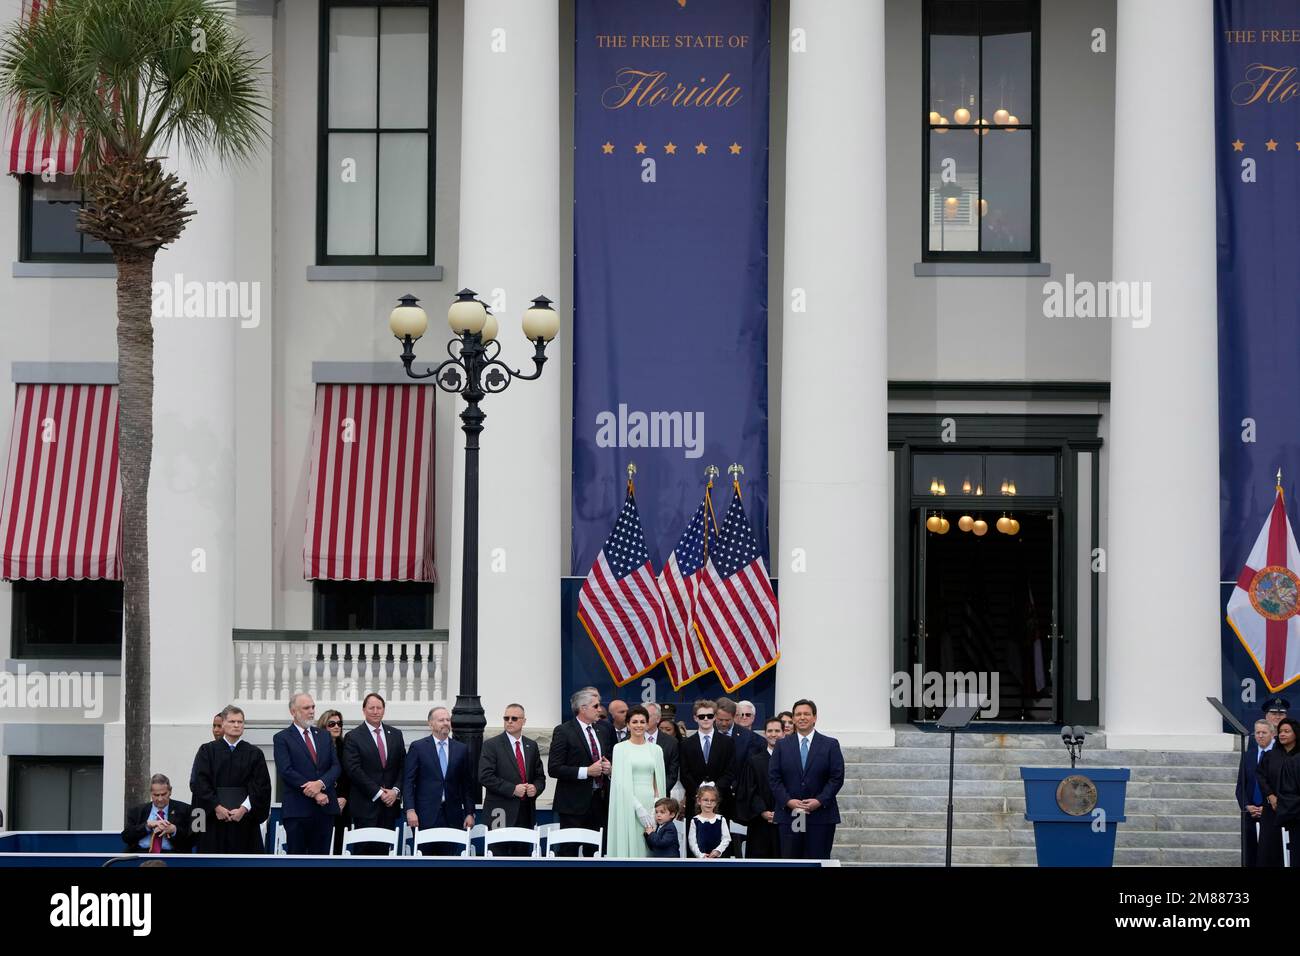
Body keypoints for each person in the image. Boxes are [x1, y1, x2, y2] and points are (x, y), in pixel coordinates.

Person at [189, 705, 272, 853]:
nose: (236, 725)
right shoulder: (207, 751)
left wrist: (243, 809)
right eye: (232, 721)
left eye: (240, 722)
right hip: (214, 821)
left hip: (244, 822)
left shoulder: (254, 753)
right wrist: (217, 807)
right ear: (223, 724)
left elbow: (261, 786)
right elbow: (200, 783)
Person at [770, 699, 845, 859]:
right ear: (794, 718)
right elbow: (774, 778)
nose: (802, 717)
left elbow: (836, 778)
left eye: (806, 714)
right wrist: (789, 801)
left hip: (820, 816)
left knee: (817, 859)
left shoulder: (830, 744)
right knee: (792, 860)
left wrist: (819, 801)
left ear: (814, 718)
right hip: (791, 814)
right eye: (798, 714)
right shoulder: (782, 745)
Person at [272, 692, 340, 854]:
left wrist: (320, 783)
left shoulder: (324, 736)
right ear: (293, 712)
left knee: (321, 860)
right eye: (306, 708)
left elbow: (336, 766)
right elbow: (286, 771)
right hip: (298, 811)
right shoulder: (282, 738)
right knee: (298, 861)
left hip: (325, 810)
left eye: (313, 707)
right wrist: (315, 793)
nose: (311, 711)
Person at [549, 687, 615, 852]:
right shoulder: (564, 731)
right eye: (596, 706)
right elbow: (554, 768)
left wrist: (609, 769)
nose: (600, 710)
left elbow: (608, 757)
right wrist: (586, 771)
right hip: (573, 804)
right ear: (582, 708)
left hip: (599, 802)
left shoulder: (603, 730)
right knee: (568, 851)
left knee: (597, 850)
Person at [404, 706, 476, 853]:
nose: (445, 723)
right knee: (424, 861)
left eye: (448, 720)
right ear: (430, 724)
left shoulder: (461, 749)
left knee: (448, 861)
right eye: (441, 720)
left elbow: (467, 784)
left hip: (452, 816)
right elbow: (408, 781)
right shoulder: (418, 747)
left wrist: (469, 812)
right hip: (424, 817)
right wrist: (410, 810)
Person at [480, 702, 546, 855]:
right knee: (499, 857)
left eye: (514, 718)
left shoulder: (531, 745)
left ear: (523, 721)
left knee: (522, 857)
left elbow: (540, 777)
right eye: (506, 718)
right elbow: (485, 776)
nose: (509, 721)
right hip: (499, 812)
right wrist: (513, 789)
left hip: (525, 812)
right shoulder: (492, 745)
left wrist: (535, 789)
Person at [343, 693, 406, 853]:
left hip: (389, 807)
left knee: (384, 854)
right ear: (364, 710)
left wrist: (395, 791)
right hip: (365, 807)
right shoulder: (353, 737)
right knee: (363, 854)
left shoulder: (396, 735)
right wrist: (379, 792)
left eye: (379, 708)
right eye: (371, 708)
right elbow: (353, 770)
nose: (375, 711)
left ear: (384, 710)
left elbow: (403, 767)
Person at [607, 704, 667, 857]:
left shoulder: (656, 750)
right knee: (631, 845)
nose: (638, 725)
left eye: (642, 721)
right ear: (627, 724)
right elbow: (620, 783)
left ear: (647, 724)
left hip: (650, 804)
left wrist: (656, 807)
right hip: (627, 805)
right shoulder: (620, 749)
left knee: (649, 845)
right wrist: (638, 808)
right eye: (634, 722)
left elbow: (658, 780)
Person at [679, 699, 735, 821]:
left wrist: (715, 788)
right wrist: (699, 790)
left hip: (721, 802)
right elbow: (684, 773)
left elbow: (730, 771)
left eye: (709, 716)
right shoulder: (686, 744)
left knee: (721, 838)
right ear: (695, 718)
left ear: (714, 717)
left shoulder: (727, 742)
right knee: (694, 838)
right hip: (695, 802)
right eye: (701, 716)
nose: (705, 719)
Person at [736, 716, 782, 858]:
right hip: (759, 822)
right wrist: (762, 811)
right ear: (764, 733)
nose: (773, 734)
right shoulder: (754, 761)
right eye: (770, 731)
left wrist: (780, 812)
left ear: (783, 733)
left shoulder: (791, 760)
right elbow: (749, 789)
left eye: (777, 731)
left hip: (785, 821)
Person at [1259, 716, 1300, 866]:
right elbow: (1261, 776)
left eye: (1287, 731)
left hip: (1295, 811)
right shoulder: (1271, 755)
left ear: (1296, 734)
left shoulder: (1297, 758)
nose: (1282, 734)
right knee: (1270, 849)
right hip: (1273, 809)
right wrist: (1271, 796)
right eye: (1280, 731)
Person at [1236, 717, 1275, 866]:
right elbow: (1241, 786)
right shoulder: (1248, 755)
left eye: (1264, 732)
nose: (1260, 736)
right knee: (1250, 854)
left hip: (1271, 812)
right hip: (1250, 813)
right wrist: (1247, 806)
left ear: (1272, 734)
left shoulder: (1278, 756)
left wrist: (1267, 807)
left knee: (1269, 854)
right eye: (1257, 732)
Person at [121, 774, 193, 854]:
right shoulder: (137, 811)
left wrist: (174, 830)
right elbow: (126, 837)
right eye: (156, 795)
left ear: (170, 791)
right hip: (141, 854)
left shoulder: (185, 810)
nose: (160, 799)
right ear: (151, 793)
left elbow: (193, 839)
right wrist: (146, 826)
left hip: (172, 855)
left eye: (163, 794)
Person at [317, 708, 351, 854]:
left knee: (339, 846)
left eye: (339, 723)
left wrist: (344, 797)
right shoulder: (315, 747)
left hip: (342, 805)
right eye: (332, 724)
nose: (337, 726)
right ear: (324, 726)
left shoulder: (347, 747)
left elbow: (351, 775)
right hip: (321, 801)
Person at [688, 784, 731, 858]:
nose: (709, 803)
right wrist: (700, 855)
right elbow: (692, 842)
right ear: (699, 801)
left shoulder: (721, 819)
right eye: (706, 800)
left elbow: (726, 838)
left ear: (716, 802)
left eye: (712, 800)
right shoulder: (695, 821)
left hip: (718, 859)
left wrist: (718, 851)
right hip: (700, 859)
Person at [645, 703, 680, 793]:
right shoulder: (629, 740)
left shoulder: (671, 742)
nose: (644, 719)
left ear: (658, 719)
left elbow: (672, 774)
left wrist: (659, 792)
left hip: (661, 796)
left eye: (648, 716)